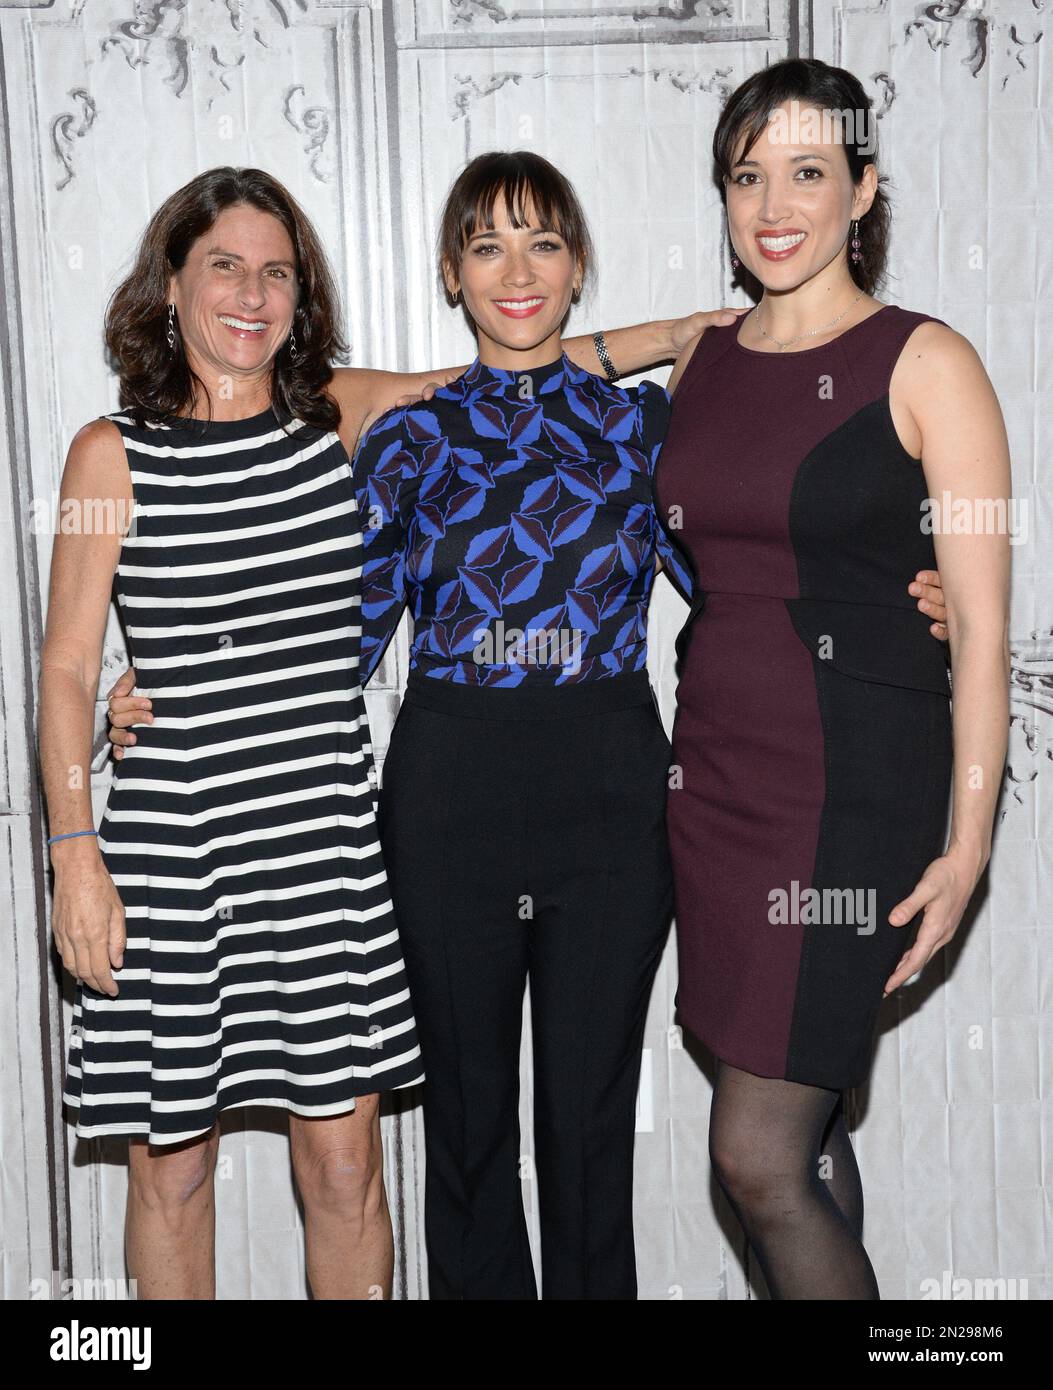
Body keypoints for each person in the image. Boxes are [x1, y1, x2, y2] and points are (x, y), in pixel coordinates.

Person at [105, 156, 949, 1299]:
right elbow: (333, 635)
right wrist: (173, 688)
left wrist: (909, 595)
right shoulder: (407, 438)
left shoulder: (646, 429)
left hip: (611, 790)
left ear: (577, 267)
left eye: (544, 243)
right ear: (452, 273)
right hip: (447, 789)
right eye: (489, 246)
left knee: (590, 1126)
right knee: (464, 1131)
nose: (518, 271)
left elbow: (751, 577)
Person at [654, 59, 1010, 1299]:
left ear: (864, 189)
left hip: (853, 786)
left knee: (754, 1155)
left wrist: (966, 847)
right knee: (808, 1137)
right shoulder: (702, 359)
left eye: (808, 171)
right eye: (747, 175)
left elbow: (979, 622)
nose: (773, 203)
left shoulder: (927, 361)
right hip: (720, 781)